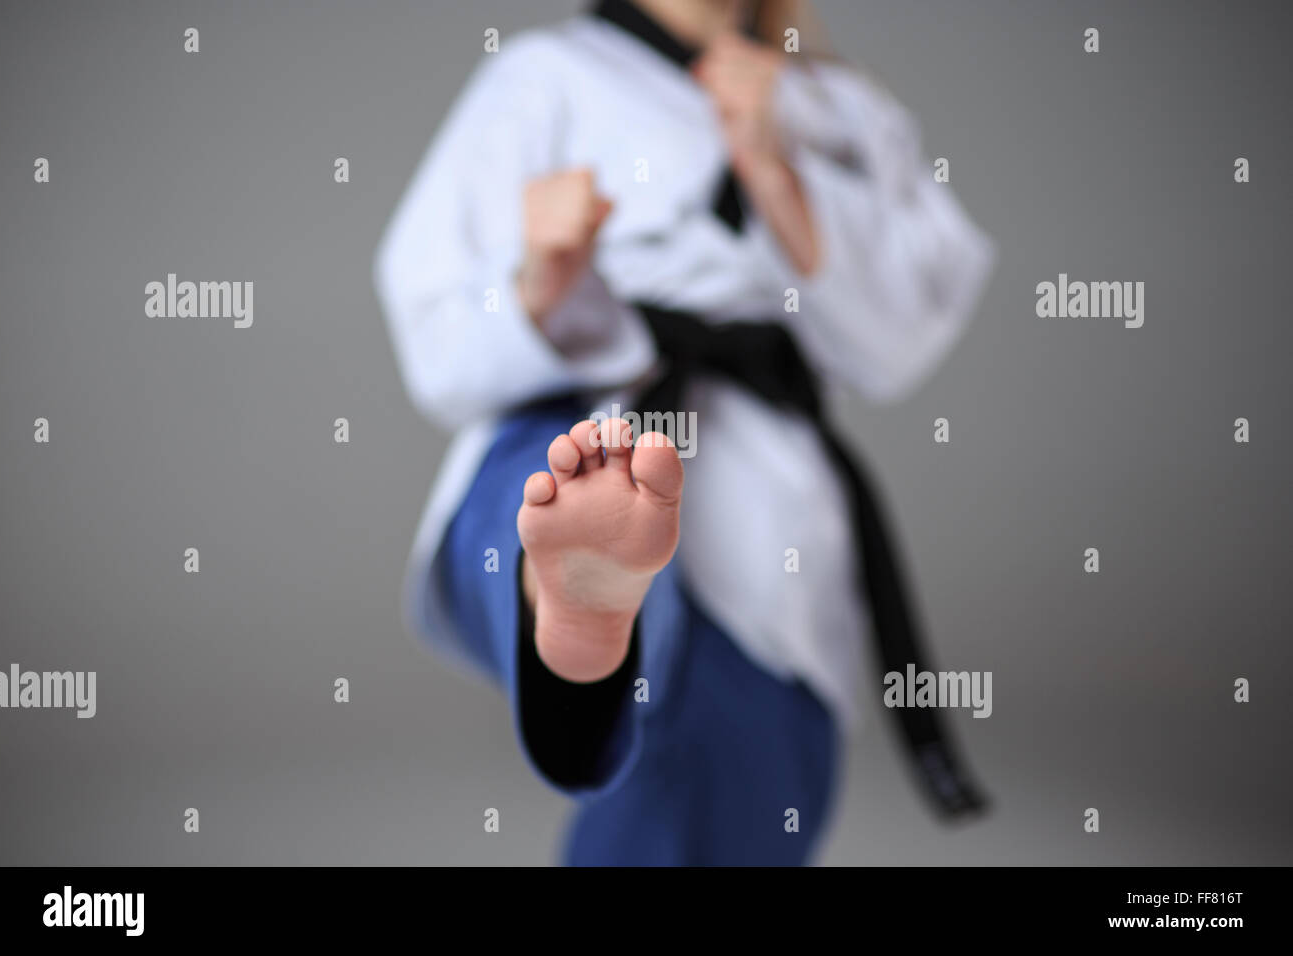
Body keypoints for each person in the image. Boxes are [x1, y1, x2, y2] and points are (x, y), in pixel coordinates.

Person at [375, 0, 995, 865]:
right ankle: (570, 603)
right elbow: (436, 351)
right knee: (558, 487)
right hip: (583, 414)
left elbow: (899, 346)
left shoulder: (841, 110)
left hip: (763, 496)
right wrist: (536, 284)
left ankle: (589, 626)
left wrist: (777, 171)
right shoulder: (544, 77)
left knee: (731, 796)